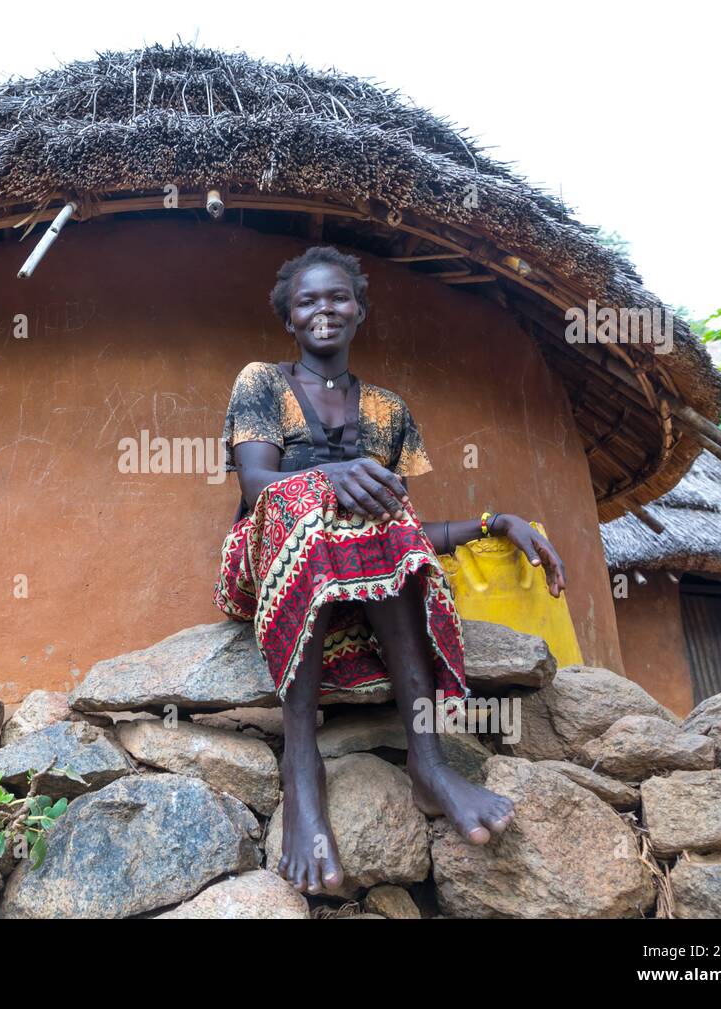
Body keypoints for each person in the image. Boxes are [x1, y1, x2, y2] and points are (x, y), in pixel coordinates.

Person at [213, 245, 568, 895]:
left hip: (360, 575)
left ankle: (428, 762)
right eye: (308, 301)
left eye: (338, 297)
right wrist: (330, 476)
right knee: (305, 499)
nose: (324, 309)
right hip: (267, 561)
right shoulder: (261, 381)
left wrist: (494, 522)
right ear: (289, 319)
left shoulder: (387, 410)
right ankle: (301, 767)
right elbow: (258, 483)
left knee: (381, 514)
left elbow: (405, 531)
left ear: (360, 310)